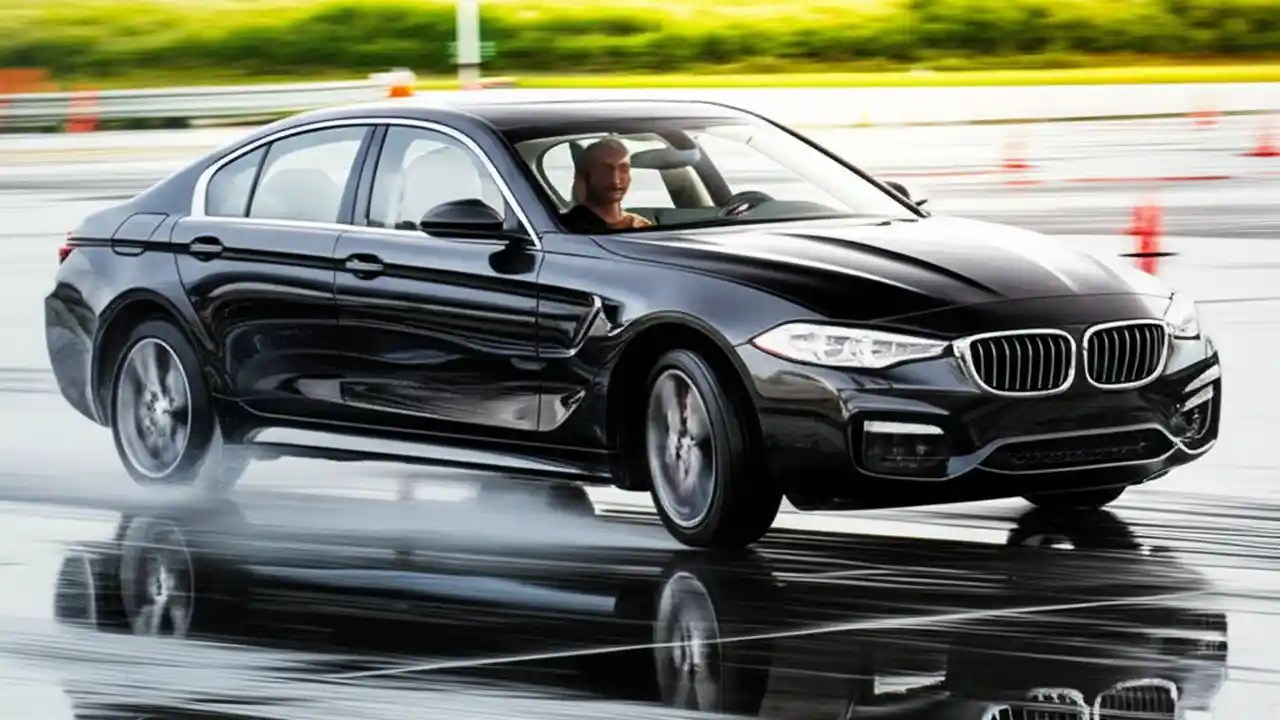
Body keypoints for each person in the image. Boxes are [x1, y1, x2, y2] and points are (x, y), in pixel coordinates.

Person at [559, 137, 654, 232]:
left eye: (623, 169)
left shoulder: (642, 226)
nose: (615, 180)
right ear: (585, 175)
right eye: (605, 171)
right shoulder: (565, 228)